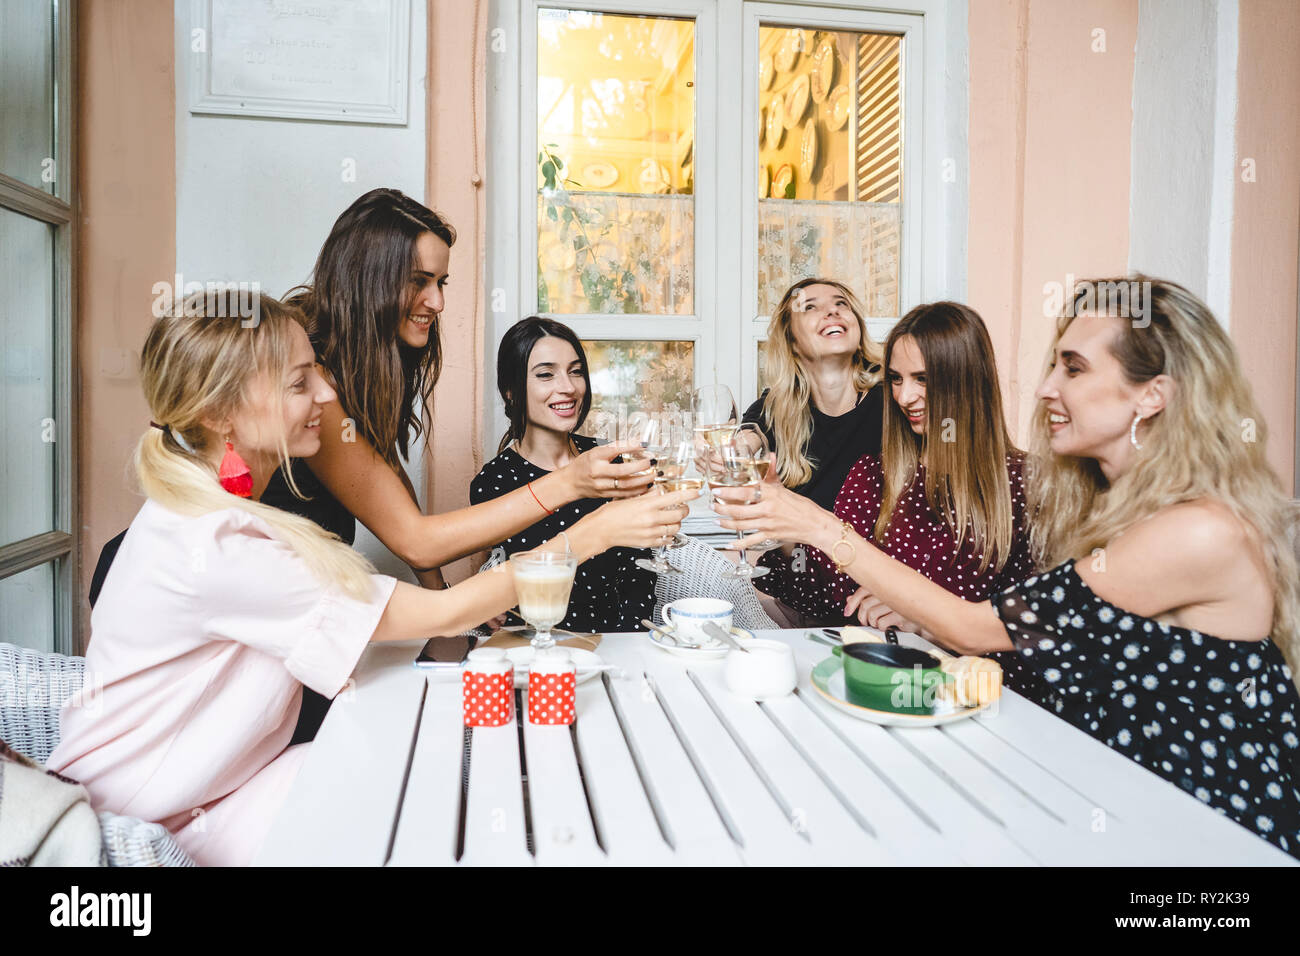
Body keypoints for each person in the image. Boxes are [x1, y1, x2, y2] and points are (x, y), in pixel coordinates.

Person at [46, 291, 694, 867]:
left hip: (222, 785)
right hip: (134, 824)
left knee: (426, 776)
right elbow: (441, 613)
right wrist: (594, 532)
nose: (327, 397)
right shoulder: (216, 542)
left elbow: (376, 623)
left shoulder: (220, 515)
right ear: (221, 413)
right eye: (301, 382)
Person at [714, 277, 1300, 858]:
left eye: (1073, 368)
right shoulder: (1108, 509)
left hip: (1202, 836)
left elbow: (981, 629)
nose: (1045, 387)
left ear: (1152, 395)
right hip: (1103, 792)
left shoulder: (1197, 531)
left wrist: (818, 525)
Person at [259, 189, 654, 740]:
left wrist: (444, 596)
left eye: (441, 282)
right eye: (420, 281)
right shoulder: (318, 378)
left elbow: (388, 485)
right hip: (267, 602)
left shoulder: (362, 359)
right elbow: (417, 537)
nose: (437, 301)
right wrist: (569, 484)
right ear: (369, 276)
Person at [758, 302, 1035, 628]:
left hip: (960, 679)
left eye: (923, 379)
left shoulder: (1025, 484)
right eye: (896, 379)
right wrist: (786, 525)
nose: (904, 397)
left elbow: (1035, 635)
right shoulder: (872, 476)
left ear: (967, 382)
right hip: (872, 671)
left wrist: (924, 622)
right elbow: (826, 596)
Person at [471, 317, 657, 633]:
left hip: (615, 644)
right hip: (537, 649)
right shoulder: (493, 481)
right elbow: (497, 569)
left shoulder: (609, 460)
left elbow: (638, 570)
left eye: (575, 371)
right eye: (546, 374)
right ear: (511, 391)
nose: (568, 387)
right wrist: (487, 602)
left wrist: (626, 645)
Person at [742, 278, 885, 512]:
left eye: (841, 304)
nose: (832, 311)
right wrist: (737, 448)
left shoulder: (891, 398)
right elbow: (755, 425)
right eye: (810, 307)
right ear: (792, 343)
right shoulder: (782, 408)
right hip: (795, 548)